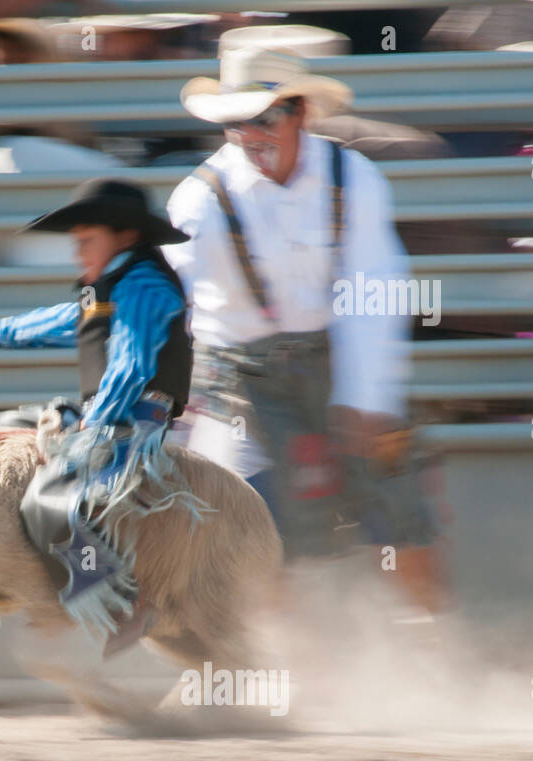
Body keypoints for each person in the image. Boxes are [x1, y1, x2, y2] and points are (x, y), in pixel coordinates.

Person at [160, 46, 448, 615]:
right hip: (245, 375)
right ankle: (284, 674)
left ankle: (436, 645)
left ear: (301, 114)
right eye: (236, 120)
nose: (250, 134)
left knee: (400, 504)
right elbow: (169, 312)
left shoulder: (353, 178)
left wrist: (366, 401)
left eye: (265, 117)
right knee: (248, 522)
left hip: (342, 358)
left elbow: (375, 290)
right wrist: (157, 413)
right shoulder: (198, 202)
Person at [0, 178, 204, 655]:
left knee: (48, 503)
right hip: (105, 411)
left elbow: (132, 362)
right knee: (1, 435)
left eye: (85, 242)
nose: (76, 254)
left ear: (124, 238)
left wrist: (95, 423)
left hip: (135, 419)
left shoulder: (144, 285)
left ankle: (123, 602)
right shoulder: (104, 288)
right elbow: (65, 321)